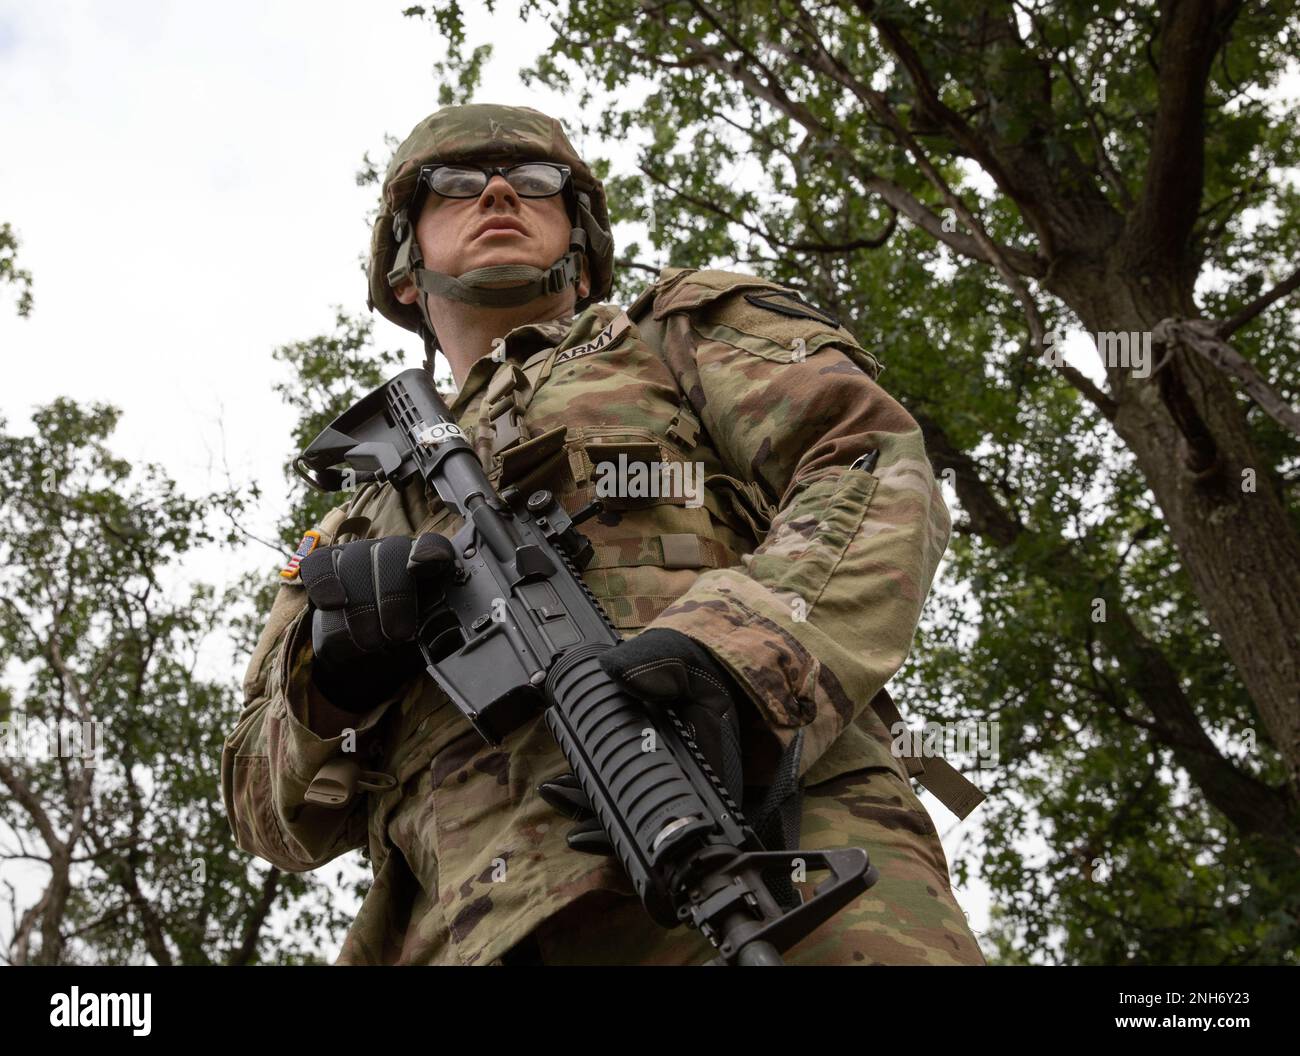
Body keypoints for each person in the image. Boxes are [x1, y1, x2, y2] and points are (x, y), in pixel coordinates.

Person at [221, 102, 987, 966]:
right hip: (468, 928)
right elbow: (263, 807)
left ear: (580, 248)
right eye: (457, 186)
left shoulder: (673, 337)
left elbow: (869, 465)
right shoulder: (347, 529)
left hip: (779, 851)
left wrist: (734, 658)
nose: (501, 193)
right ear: (406, 269)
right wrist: (333, 678)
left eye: (535, 183)